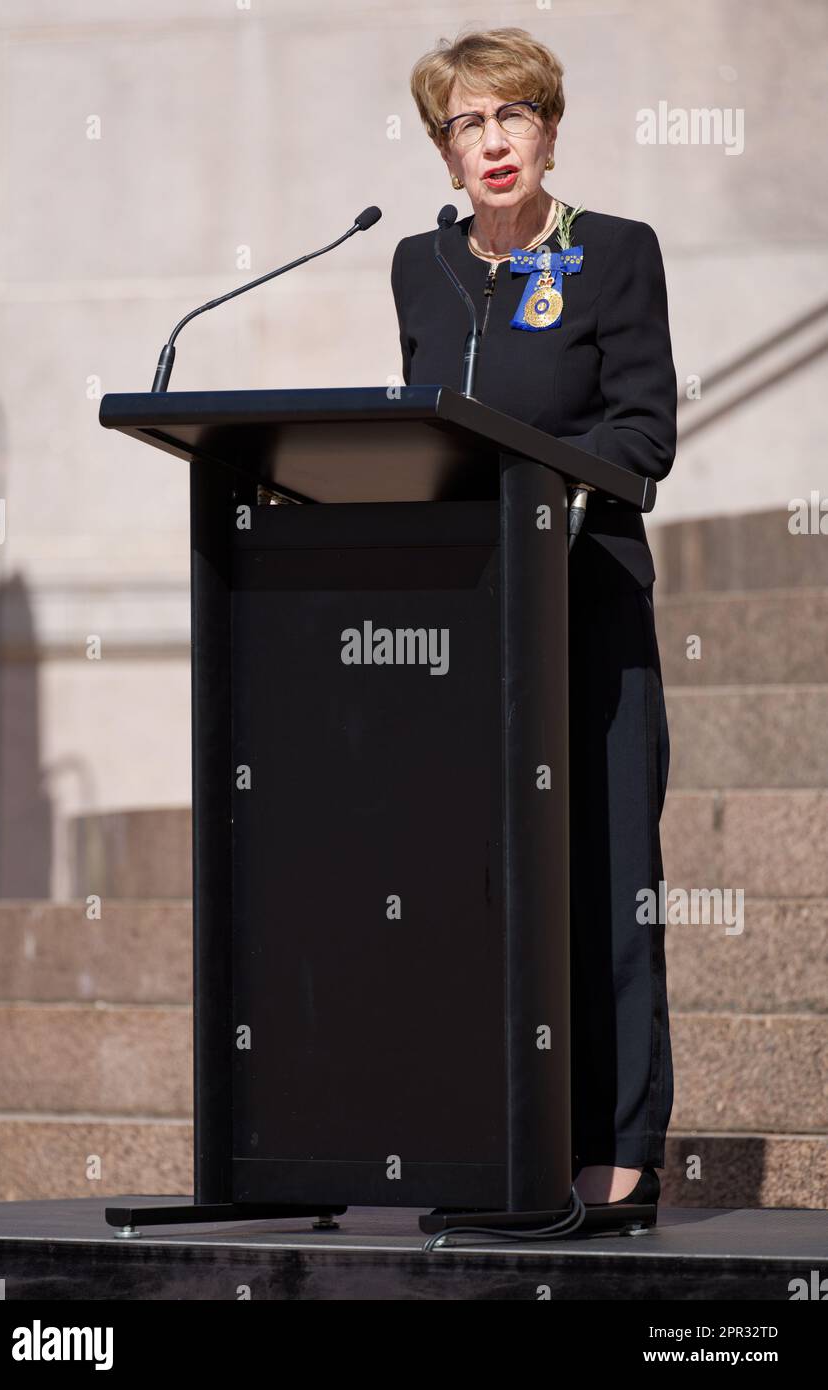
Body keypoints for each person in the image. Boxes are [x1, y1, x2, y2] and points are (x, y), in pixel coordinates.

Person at [391, 26, 676, 1207]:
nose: (492, 140)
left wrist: (545, 488)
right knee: (476, 885)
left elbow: (642, 433)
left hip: (584, 606)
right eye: (467, 123)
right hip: (466, 625)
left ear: (549, 128)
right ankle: (492, 1133)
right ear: (444, 151)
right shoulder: (419, 265)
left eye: (512, 114)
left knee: (604, 878)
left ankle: (619, 1143)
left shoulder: (611, 252)